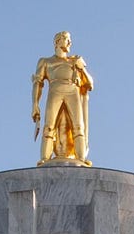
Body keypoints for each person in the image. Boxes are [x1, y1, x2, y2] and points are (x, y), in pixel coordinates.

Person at [31, 31, 93, 166]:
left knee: (78, 125)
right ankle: (45, 159)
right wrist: (35, 104)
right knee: (49, 125)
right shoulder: (46, 61)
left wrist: (82, 68)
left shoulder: (74, 61)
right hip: (55, 91)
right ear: (57, 41)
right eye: (66, 39)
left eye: (69, 39)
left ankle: (81, 158)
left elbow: (90, 84)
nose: (69, 42)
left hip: (72, 92)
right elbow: (38, 82)